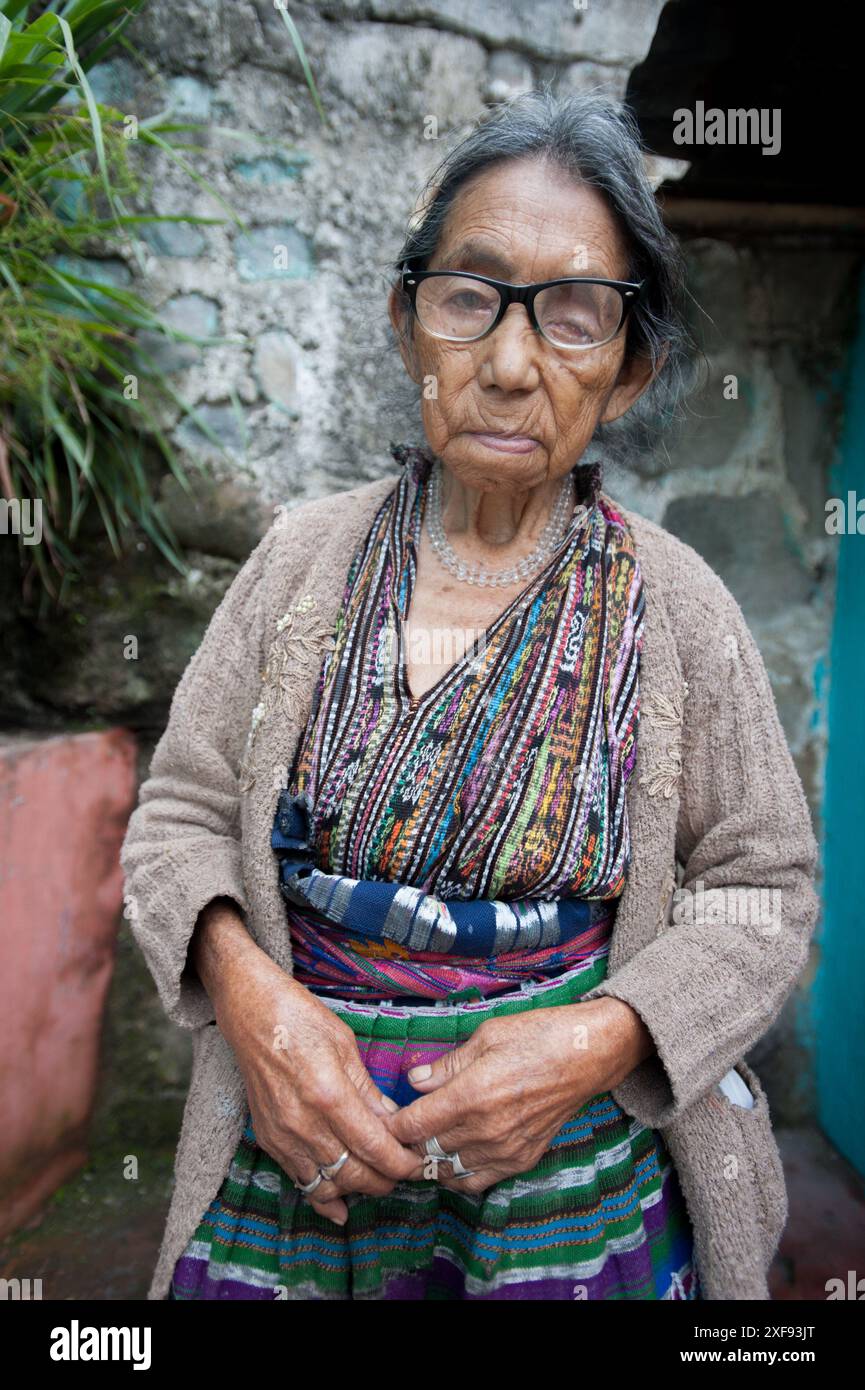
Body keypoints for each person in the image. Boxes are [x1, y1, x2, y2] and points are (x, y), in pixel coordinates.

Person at [120, 90, 820, 1301]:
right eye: (468, 298)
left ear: (629, 364)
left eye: (573, 316)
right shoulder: (300, 561)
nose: (506, 364)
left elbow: (762, 886)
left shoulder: (678, 607)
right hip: (292, 1186)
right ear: (407, 325)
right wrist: (252, 1007)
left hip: (565, 1209)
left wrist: (598, 1040)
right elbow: (177, 817)